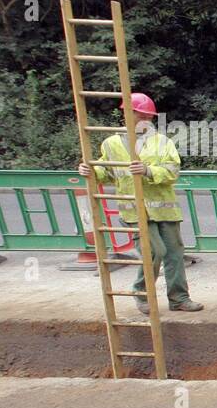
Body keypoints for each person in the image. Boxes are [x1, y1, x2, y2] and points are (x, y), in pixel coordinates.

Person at [78, 93, 202, 314]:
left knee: (174, 253)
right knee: (154, 251)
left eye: (148, 116)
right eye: (140, 114)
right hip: (134, 210)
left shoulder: (162, 142)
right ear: (127, 114)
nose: (145, 119)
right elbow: (106, 172)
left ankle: (179, 299)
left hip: (164, 209)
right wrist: (90, 171)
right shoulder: (112, 143)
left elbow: (173, 171)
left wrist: (148, 171)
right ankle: (141, 292)